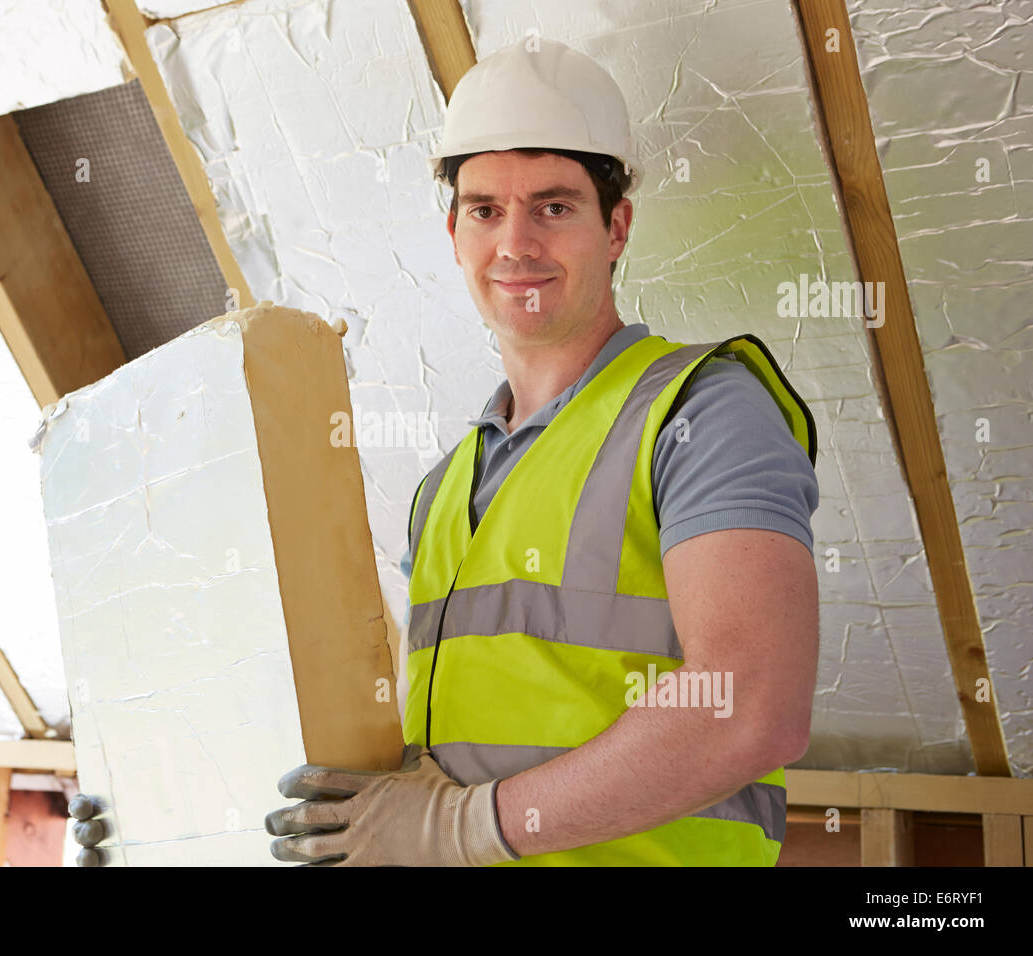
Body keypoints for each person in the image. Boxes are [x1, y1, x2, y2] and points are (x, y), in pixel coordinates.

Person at [263, 37, 820, 866]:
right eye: (486, 210)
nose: (515, 244)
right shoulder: (444, 488)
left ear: (616, 226)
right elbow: (431, 775)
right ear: (455, 232)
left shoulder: (700, 409)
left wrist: (461, 829)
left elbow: (750, 705)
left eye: (554, 207)